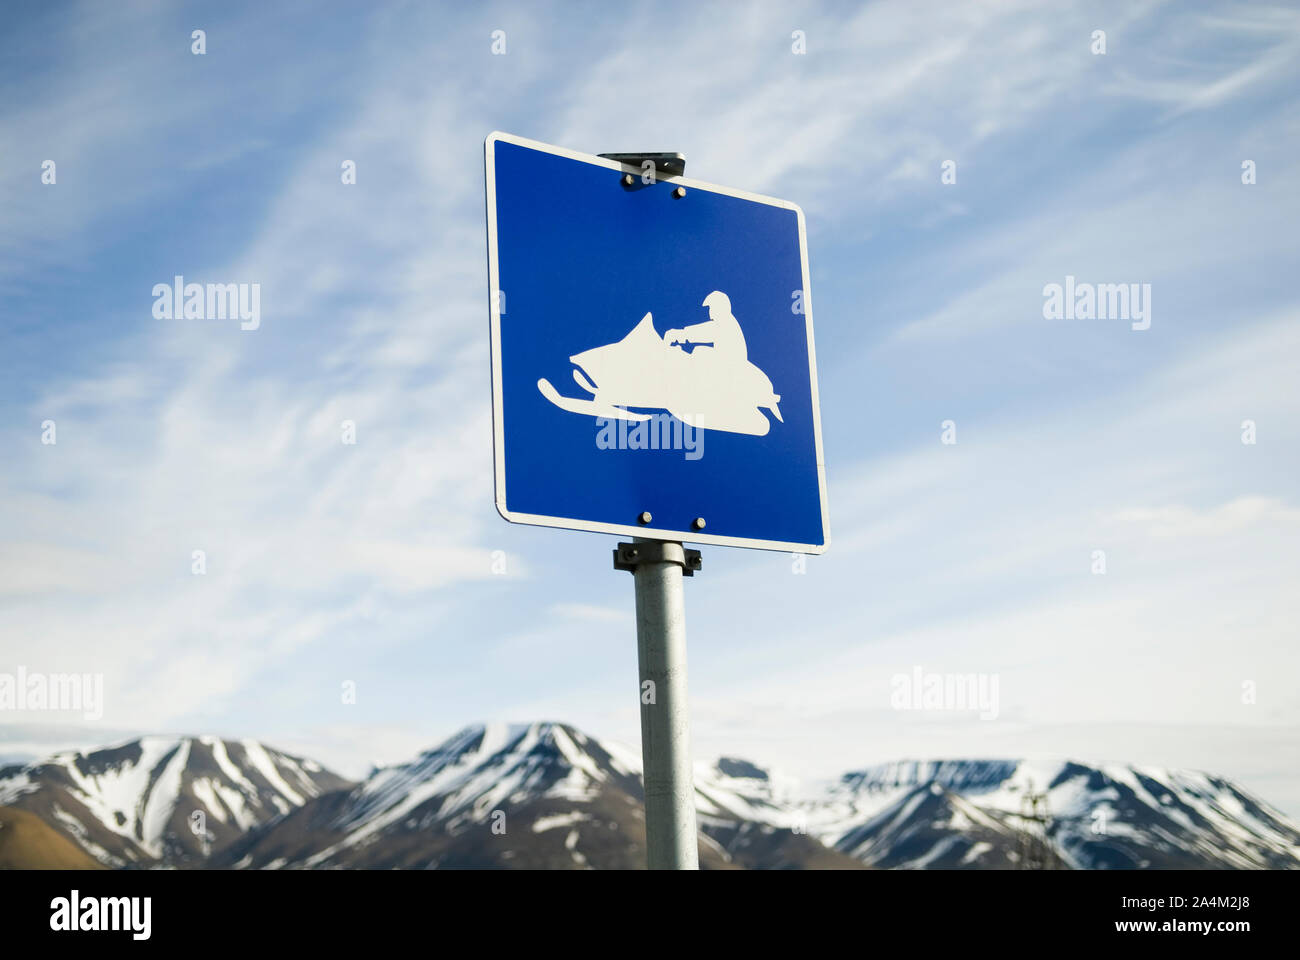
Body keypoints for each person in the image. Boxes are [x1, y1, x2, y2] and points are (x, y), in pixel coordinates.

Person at [664, 291, 748, 362]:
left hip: (729, 368)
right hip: (731, 366)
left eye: (711, 308)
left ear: (719, 307)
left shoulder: (724, 324)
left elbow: (704, 332)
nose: (710, 312)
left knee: (699, 352)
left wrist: (677, 334)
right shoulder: (729, 322)